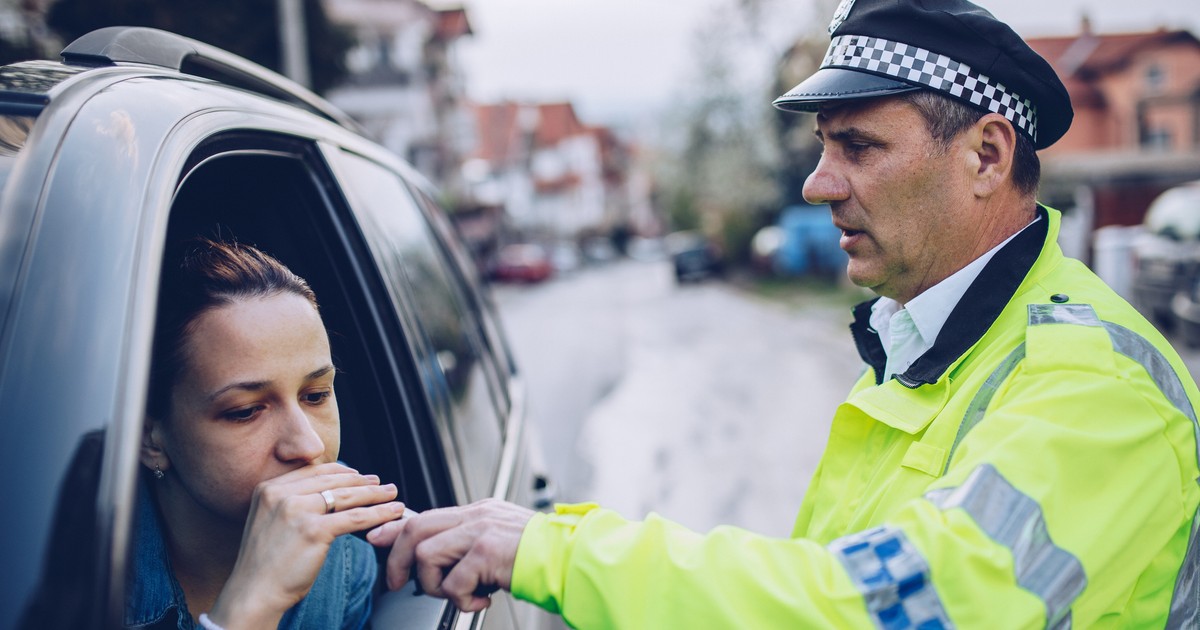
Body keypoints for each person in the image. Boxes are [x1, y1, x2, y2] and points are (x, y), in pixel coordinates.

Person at [367, 0, 1200, 627]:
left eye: (859, 146)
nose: (818, 183)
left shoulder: (1096, 383)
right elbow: (821, 576)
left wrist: (551, 549)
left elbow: (881, 609)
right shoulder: (936, 344)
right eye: (823, 146)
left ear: (987, 154)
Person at [129, 238, 407, 630]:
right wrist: (251, 606)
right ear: (149, 439)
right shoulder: (65, 585)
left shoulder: (344, 553)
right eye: (245, 411)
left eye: (316, 395)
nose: (308, 444)